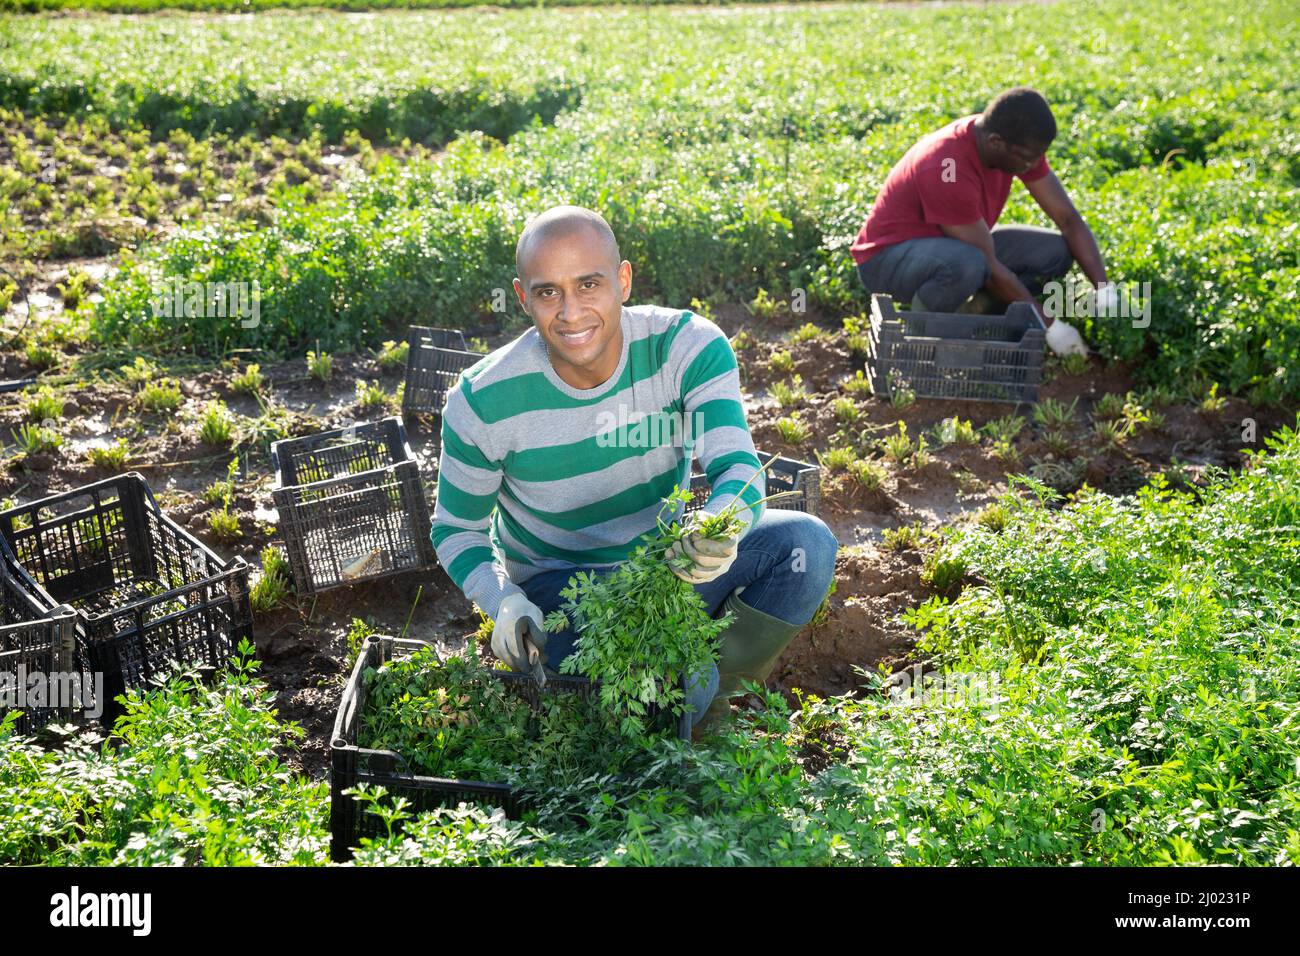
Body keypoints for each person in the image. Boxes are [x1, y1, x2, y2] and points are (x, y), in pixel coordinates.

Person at [430, 205, 838, 735]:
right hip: (563, 592)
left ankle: (715, 694)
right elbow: (456, 529)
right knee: (677, 683)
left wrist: (721, 529)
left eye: (589, 284)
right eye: (548, 291)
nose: (571, 312)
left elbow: (738, 467)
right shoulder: (482, 400)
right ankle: (678, 691)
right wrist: (503, 600)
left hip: (667, 563)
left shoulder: (685, 347)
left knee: (807, 546)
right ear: (523, 296)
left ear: (623, 280)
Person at [850, 87, 1116, 355]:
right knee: (968, 263)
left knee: (1054, 253)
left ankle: (971, 318)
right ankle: (923, 339)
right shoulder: (947, 166)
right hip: (886, 260)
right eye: (1027, 158)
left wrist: (1103, 289)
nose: (1034, 164)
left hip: (953, 246)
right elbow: (985, 261)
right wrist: (1052, 328)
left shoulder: (1013, 142)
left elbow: (1067, 219)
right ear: (996, 143)